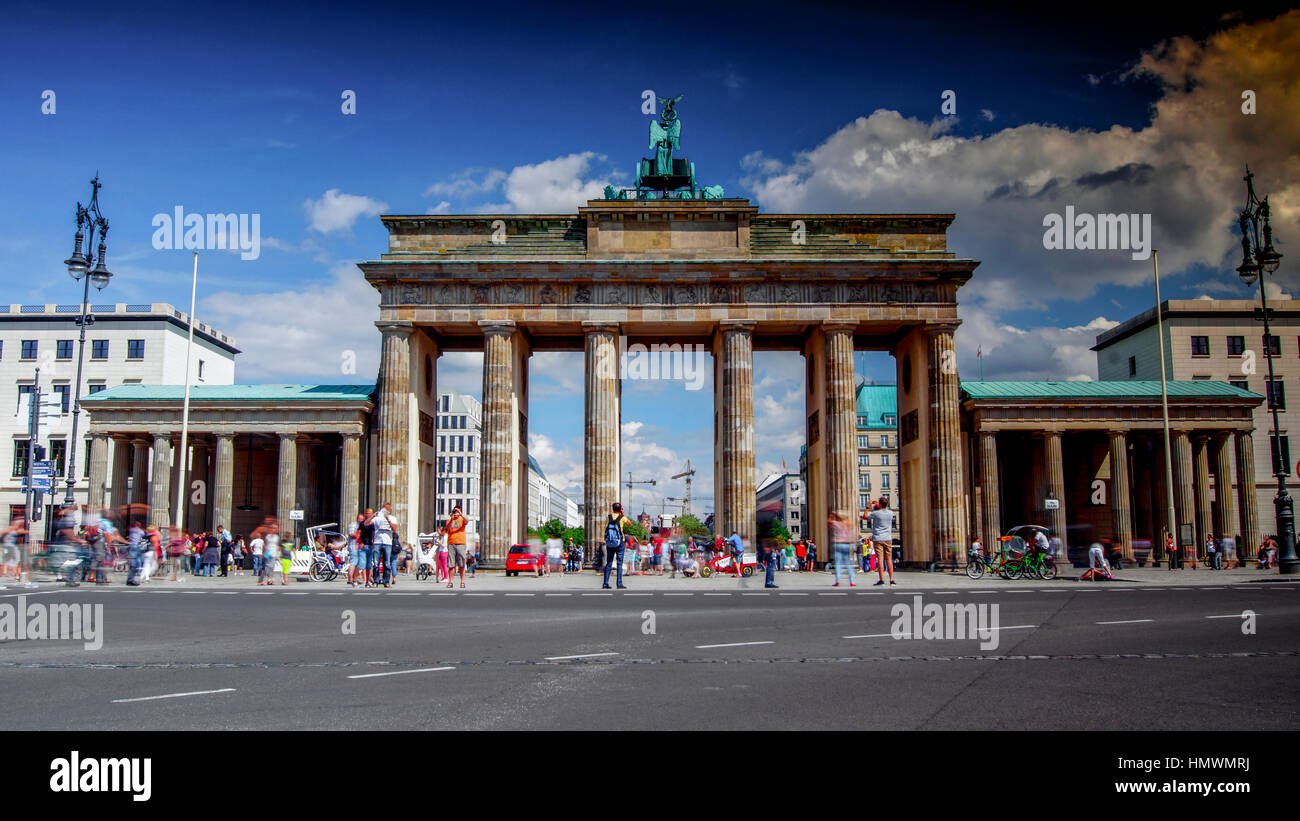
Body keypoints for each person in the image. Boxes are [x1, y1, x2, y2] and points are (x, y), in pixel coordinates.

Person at [602, 502, 632, 589]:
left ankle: (605, 583)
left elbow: (605, 527)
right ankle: (619, 583)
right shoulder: (622, 517)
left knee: (609, 562)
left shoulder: (609, 517)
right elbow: (629, 524)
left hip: (610, 542)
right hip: (620, 542)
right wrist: (623, 514)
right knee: (619, 563)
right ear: (620, 509)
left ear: (612, 509)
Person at [867, 497, 896, 586]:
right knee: (889, 559)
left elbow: (865, 517)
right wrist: (879, 505)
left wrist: (868, 507)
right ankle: (891, 580)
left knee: (880, 559)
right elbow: (883, 510)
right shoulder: (891, 513)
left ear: (879, 504)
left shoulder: (876, 513)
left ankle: (882, 579)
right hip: (888, 538)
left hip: (878, 538)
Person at [442, 505, 469, 589]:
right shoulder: (449, 520)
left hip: (461, 543)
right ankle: (450, 581)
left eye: (458, 511)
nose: (456, 513)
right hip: (451, 543)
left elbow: (467, 521)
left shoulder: (462, 519)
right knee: (451, 564)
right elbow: (447, 529)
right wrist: (452, 519)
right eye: (455, 511)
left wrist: (461, 514)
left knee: (461, 564)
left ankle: (462, 582)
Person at [372, 503, 398, 587]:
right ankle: (375, 581)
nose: (386, 511)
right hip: (377, 541)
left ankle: (386, 581)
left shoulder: (392, 518)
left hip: (387, 542)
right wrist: (372, 516)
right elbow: (366, 524)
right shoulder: (377, 518)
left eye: (388, 509)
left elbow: (394, 529)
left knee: (387, 563)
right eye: (384, 509)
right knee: (376, 563)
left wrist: (388, 519)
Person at [828, 511, 856, 587]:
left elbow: (829, 522)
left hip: (837, 544)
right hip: (847, 544)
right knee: (848, 563)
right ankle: (851, 581)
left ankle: (837, 581)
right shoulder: (848, 525)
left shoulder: (836, 524)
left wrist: (832, 515)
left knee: (838, 563)